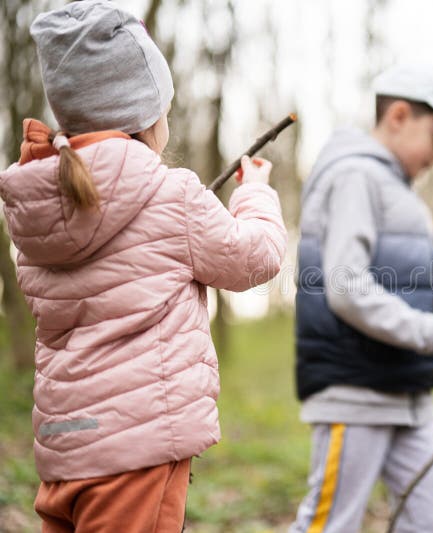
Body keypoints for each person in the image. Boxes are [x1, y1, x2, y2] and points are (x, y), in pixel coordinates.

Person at [0, 2, 287, 531]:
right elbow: (257, 257)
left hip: (63, 449)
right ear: (145, 118)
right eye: (166, 110)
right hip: (136, 455)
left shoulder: (32, 216)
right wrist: (257, 194)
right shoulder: (169, 195)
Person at [290, 64, 433, 533]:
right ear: (399, 115)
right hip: (356, 388)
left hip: (405, 391)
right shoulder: (356, 176)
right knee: (330, 523)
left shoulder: (394, 188)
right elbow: (346, 285)